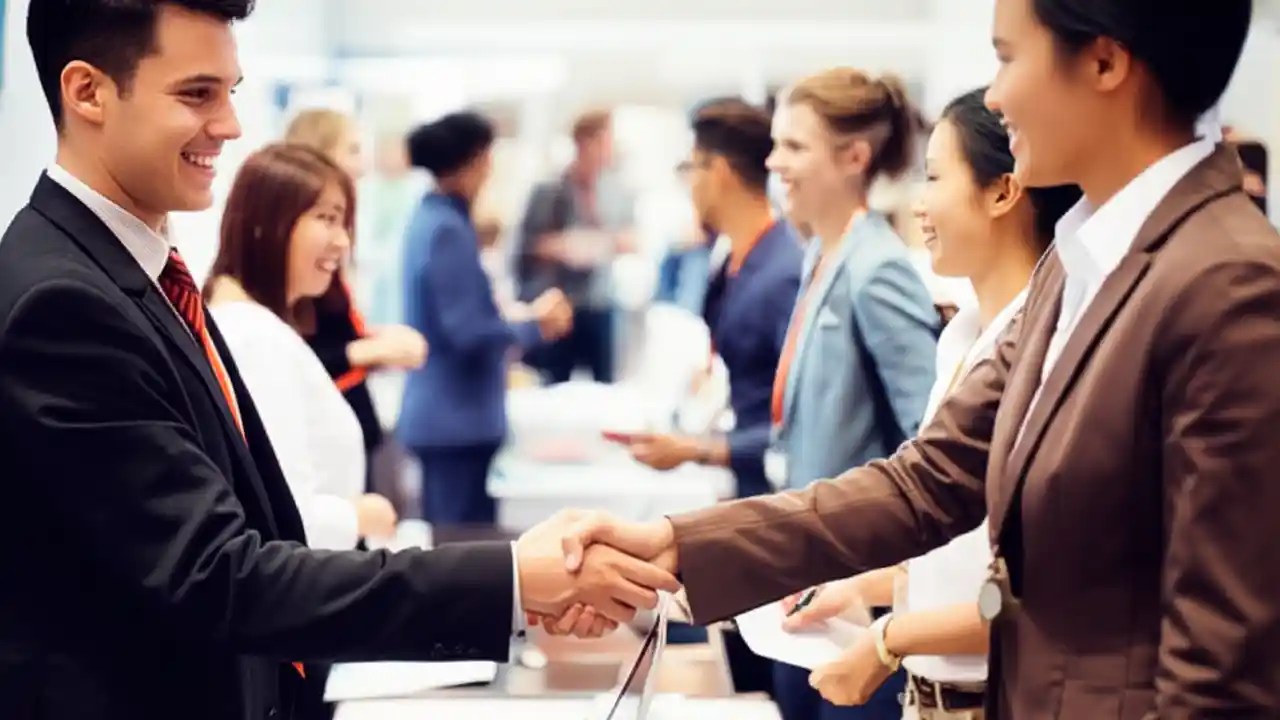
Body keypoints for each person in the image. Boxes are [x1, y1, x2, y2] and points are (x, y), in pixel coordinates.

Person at [549, 0, 1280, 717]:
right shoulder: (1079, 265)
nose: (994, 94)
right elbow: (924, 483)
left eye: (1006, 56)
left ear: (1104, 61)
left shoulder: (1227, 285)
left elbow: (1221, 671)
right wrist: (675, 543)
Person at [0, 4, 675, 719]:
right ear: (87, 92)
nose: (230, 124)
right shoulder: (62, 302)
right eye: (197, 94)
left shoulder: (135, 273)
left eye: (231, 90)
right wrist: (511, 579)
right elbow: (219, 573)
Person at [781, 88, 1080, 719]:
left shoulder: (1045, 352)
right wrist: (858, 587)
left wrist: (890, 641)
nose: (919, 205)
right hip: (930, 698)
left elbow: (1030, 597)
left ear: (1003, 191)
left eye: (937, 178)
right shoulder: (963, 337)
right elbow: (959, 557)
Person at [765, 67, 941, 720]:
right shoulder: (821, 256)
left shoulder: (878, 269)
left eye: (793, 146)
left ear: (854, 157)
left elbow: (935, 448)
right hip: (803, 570)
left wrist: (879, 584)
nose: (773, 161)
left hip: (852, 587)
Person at [205, 143, 399, 550]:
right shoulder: (254, 336)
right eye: (326, 219)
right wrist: (362, 514)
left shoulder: (249, 325)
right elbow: (286, 512)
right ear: (267, 222)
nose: (342, 241)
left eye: (344, 223)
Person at [609, 98, 802, 500]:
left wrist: (698, 449)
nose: (689, 183)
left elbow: (804, 420)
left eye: (691, 167)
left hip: (781, 493)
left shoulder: (783, 273)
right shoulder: (731, 261)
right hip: (748, 481)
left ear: (719, 171)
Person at [396, 112, 574, 526]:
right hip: (454, 421)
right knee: (459, 556)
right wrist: (536, 326)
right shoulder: (447, 230)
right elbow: (467, 331)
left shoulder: (434, 219)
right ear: (472, 161)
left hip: (449, 417)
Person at [284, 108, 427, 492]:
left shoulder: (331, 251)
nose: (362, 165)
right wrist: (373, 352)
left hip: (350, 425)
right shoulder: (297, 255)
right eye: (352, 150)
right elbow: (301, 352)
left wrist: (377, 341)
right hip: (325, 435)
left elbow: (330, 334)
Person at [516, 108, 636, 384]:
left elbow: (630, 238)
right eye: (607, 139)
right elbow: (532, 245)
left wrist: (599, 244)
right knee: (555, 383)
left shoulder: (613, 189)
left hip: (599, 302)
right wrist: (574, 246)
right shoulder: (551, 189)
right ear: (586, 142)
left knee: (604, 384)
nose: (611, 148)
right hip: (560, 305)